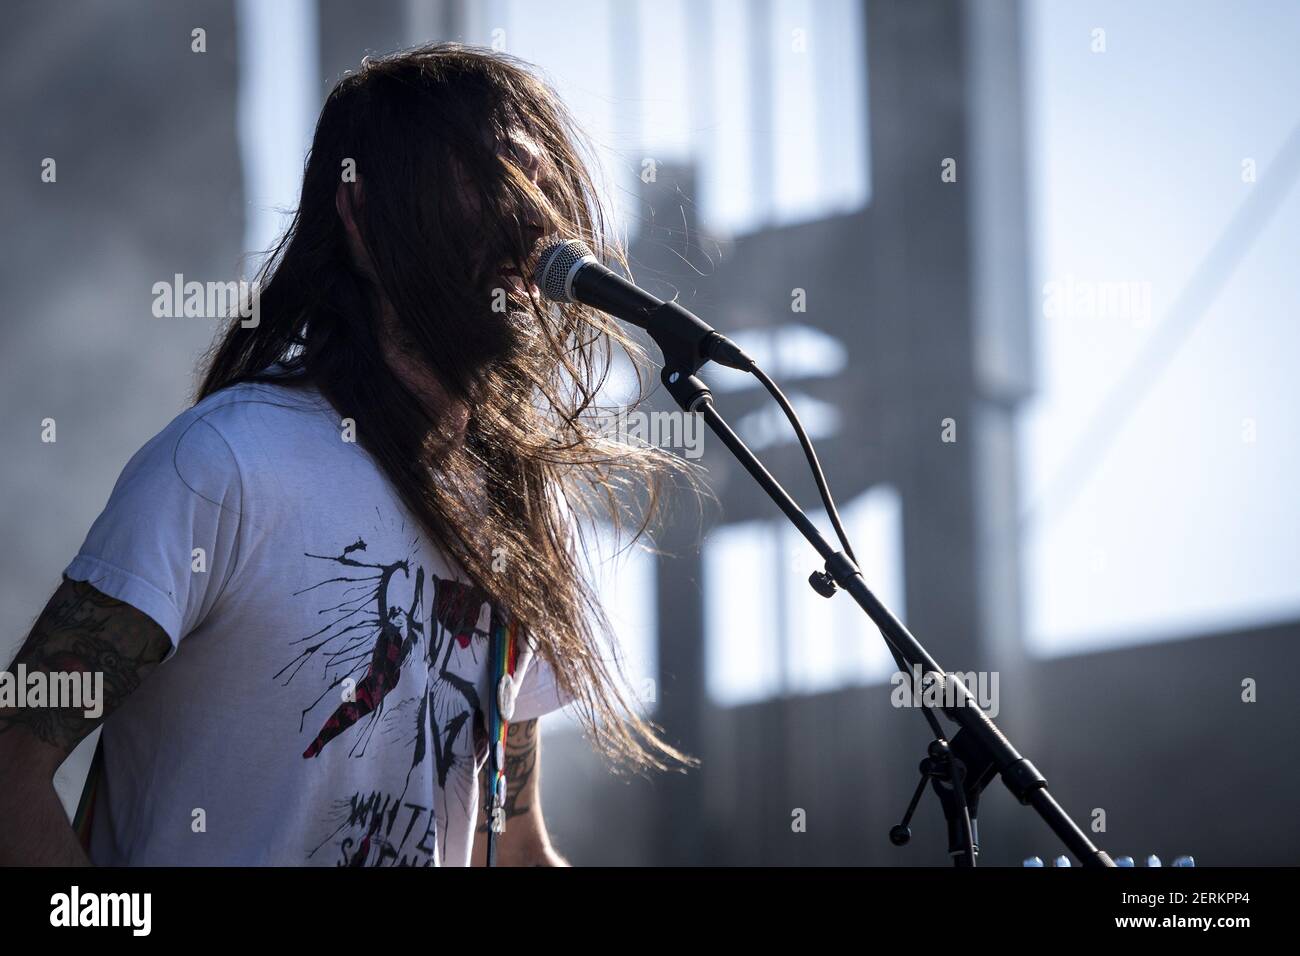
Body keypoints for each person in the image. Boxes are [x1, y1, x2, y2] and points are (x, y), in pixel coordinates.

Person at [0, 44, 690, 867]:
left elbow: (511, 847)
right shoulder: (227, 466)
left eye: (535, 187)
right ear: (361, 219)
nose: (525, 224)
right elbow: (10, 774)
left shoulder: (521, 517)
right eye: (484, 185)